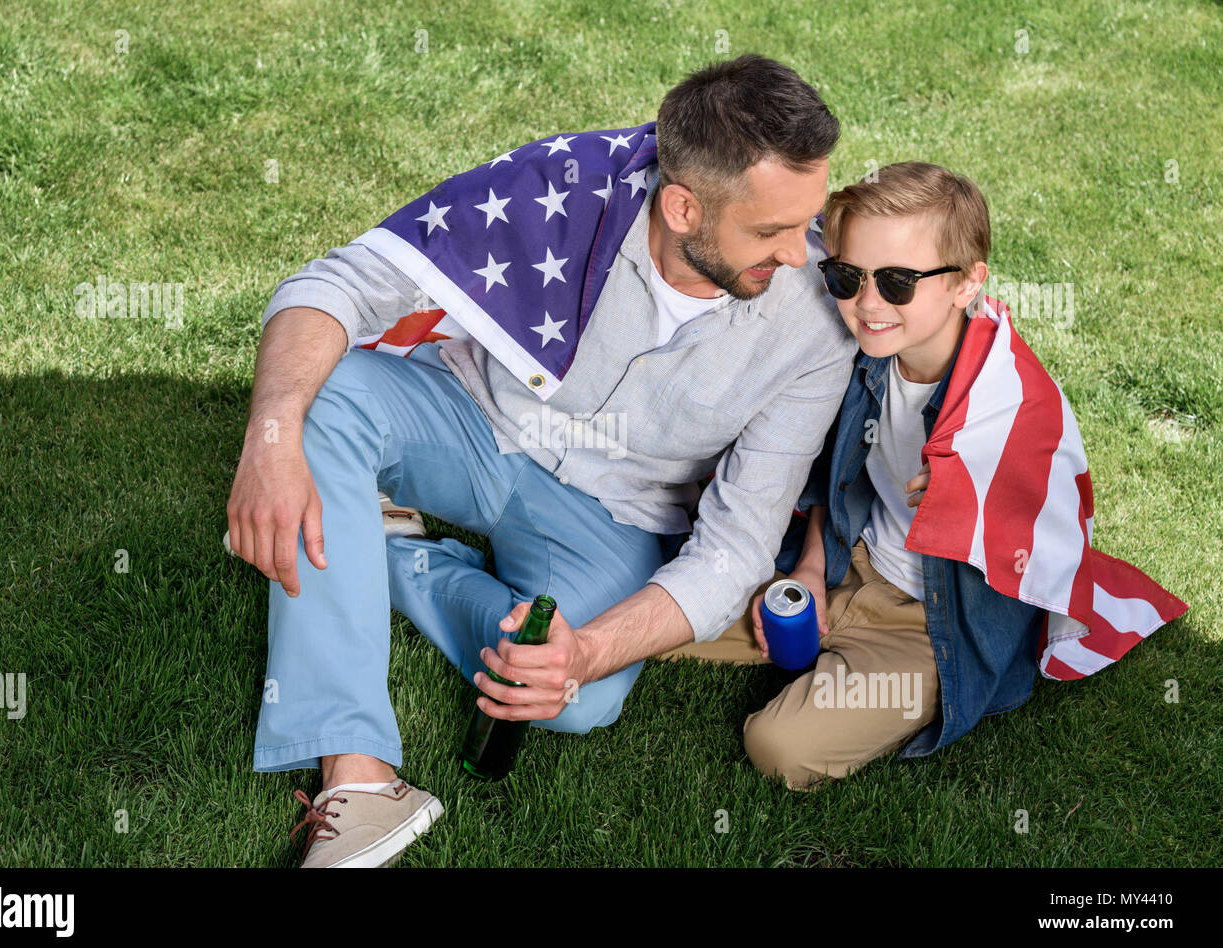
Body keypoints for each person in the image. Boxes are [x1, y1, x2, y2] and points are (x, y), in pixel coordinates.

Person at [227, 53, 856, 866]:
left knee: (578, 697)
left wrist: (584, 652)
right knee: (323, 401)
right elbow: (338, 283)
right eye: (771, 231)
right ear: (684, 206)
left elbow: (736, 545)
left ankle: (378, 550)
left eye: (806, 222)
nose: (801, 257)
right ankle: (358, 774)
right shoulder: (561, 188)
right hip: (473, 420)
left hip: (613, 511)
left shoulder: (817, 321)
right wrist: (270, 434)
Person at [663, 161, 1188, 789]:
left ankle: (866, 677)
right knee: (663, 617)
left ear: (968, 284)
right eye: (847, 276)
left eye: (899, 282)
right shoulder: (858, 353)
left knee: (778, 748)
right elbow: (831, 464)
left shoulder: (1010, 404)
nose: (868, 304)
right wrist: (808, 562)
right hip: (842, 562)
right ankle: (810, 641)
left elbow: (1044, 507)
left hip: (927, 623)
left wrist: (966, 501)